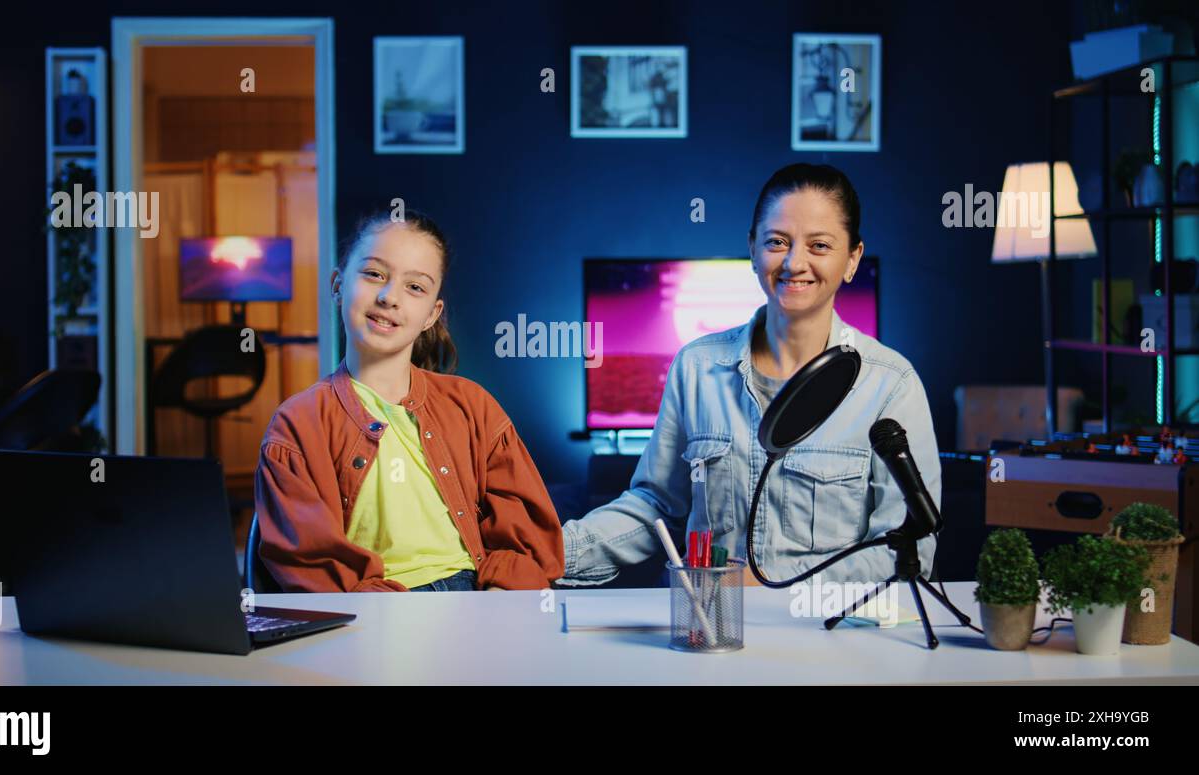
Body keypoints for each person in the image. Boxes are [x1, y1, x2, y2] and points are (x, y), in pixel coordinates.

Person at [560, 163, 940, 585]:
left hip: (831, 640)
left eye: (819, 246)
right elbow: (655, 505)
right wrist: (555, 551)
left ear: (852, 260)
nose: (795, 263)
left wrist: (765, 587)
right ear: (753, 249)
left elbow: (907, 550)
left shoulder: (890, 384)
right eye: (777, 242)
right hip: (708, 629)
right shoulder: (696, 367)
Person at [255, 209, 564, 592]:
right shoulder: (298, 423)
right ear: (337, 284)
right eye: (374, 274)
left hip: (480, 596)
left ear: (431, 314)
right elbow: (312, 562)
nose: (389, 297)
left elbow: (525, 537)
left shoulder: (473, 406)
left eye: (415, 287)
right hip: (375, 609)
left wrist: (497, 608)